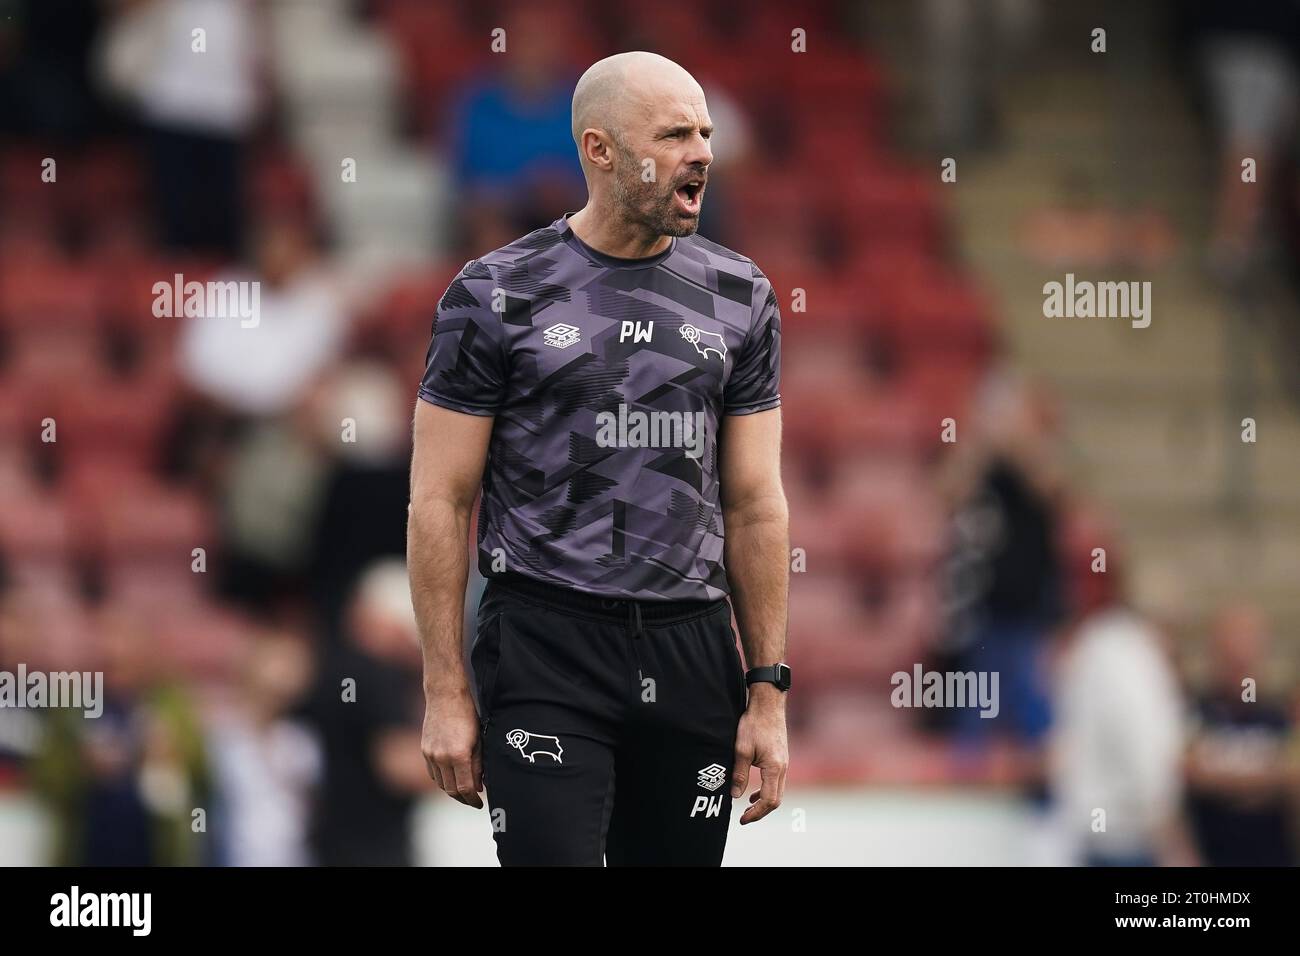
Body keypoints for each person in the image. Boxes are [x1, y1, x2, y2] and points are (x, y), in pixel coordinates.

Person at [409, 52, 790, 866]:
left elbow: (755, 503)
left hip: (690, 649)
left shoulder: (741, 295)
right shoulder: (493, 294)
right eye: (675, 133)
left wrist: (768, 692)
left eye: (707, 132)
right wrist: (444, 689)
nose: (703, 152)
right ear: (601, 149)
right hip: (546, 642)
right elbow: (439, 499)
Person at [1185, 604, 1299, 866]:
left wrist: (1221, 777)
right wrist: (1265, 779)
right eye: (1231, 650)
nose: (1239, 658)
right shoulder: (1196, 712)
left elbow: (1293, 777)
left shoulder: (1279, 714)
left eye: (1247, 647)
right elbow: (1188, 771)